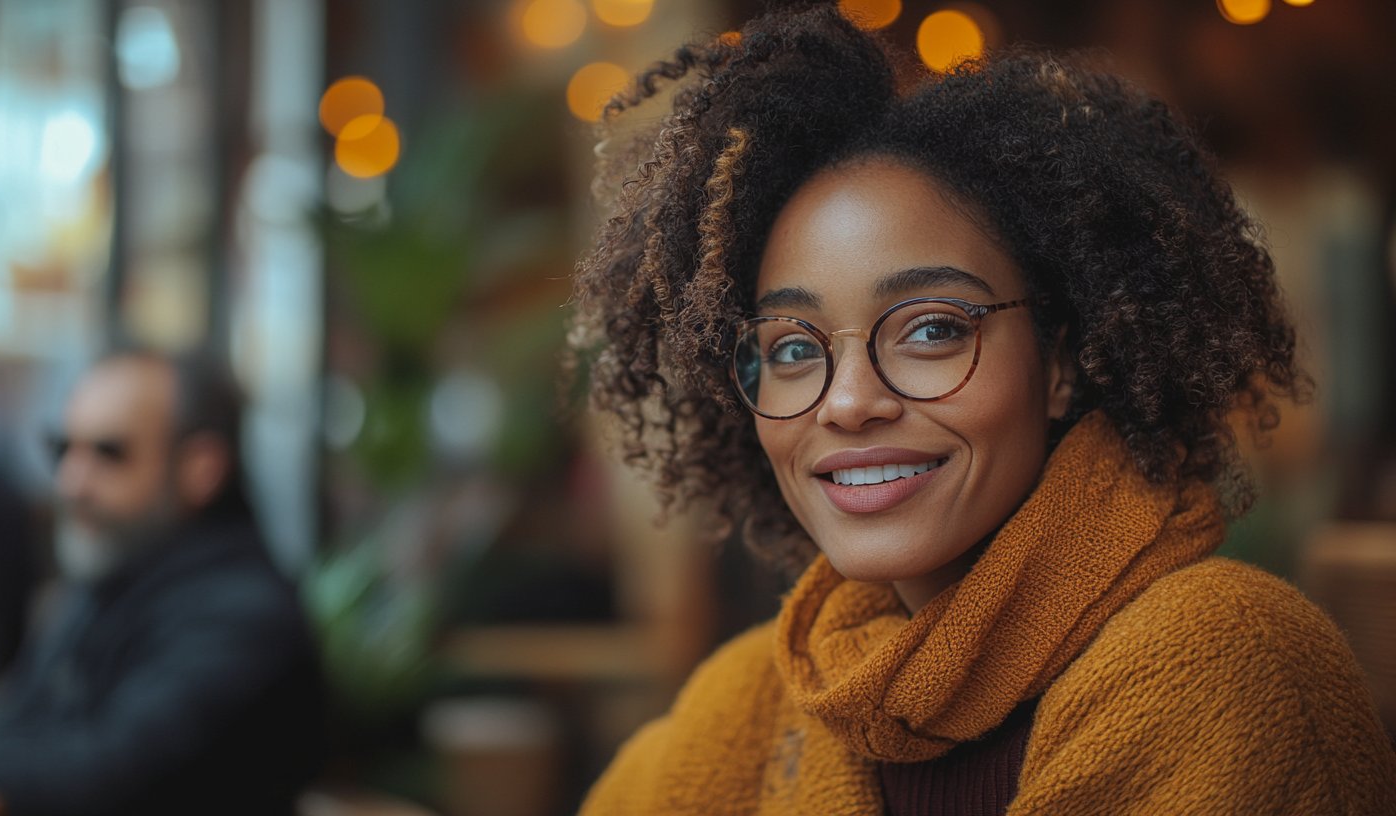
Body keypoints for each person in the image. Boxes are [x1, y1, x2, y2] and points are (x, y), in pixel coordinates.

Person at [568, 6, 1396, 814]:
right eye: (791, 348)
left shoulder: (1218, 661)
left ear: (1060, 363)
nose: (848, 402)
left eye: (931, 330)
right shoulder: (759, 701)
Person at [0, 349, 327, 816]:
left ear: (201, 467)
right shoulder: (115, 582)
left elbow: (100, 775)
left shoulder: (246, 616)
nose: (71, 482)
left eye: (109, 453)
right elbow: (18, 723)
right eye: (62, 450)